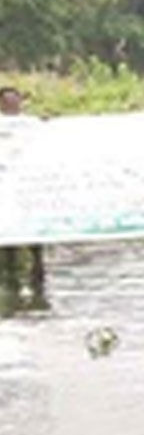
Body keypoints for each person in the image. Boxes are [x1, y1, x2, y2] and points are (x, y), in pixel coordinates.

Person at [0, 87, 45, 300]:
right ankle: (11, 282)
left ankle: (38, 282)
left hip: (28, 188)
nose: (13, 105)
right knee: (8, 239)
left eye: (16, 101)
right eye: (8, 102)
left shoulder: (31, 124)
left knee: (36, 240)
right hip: (5, 188)